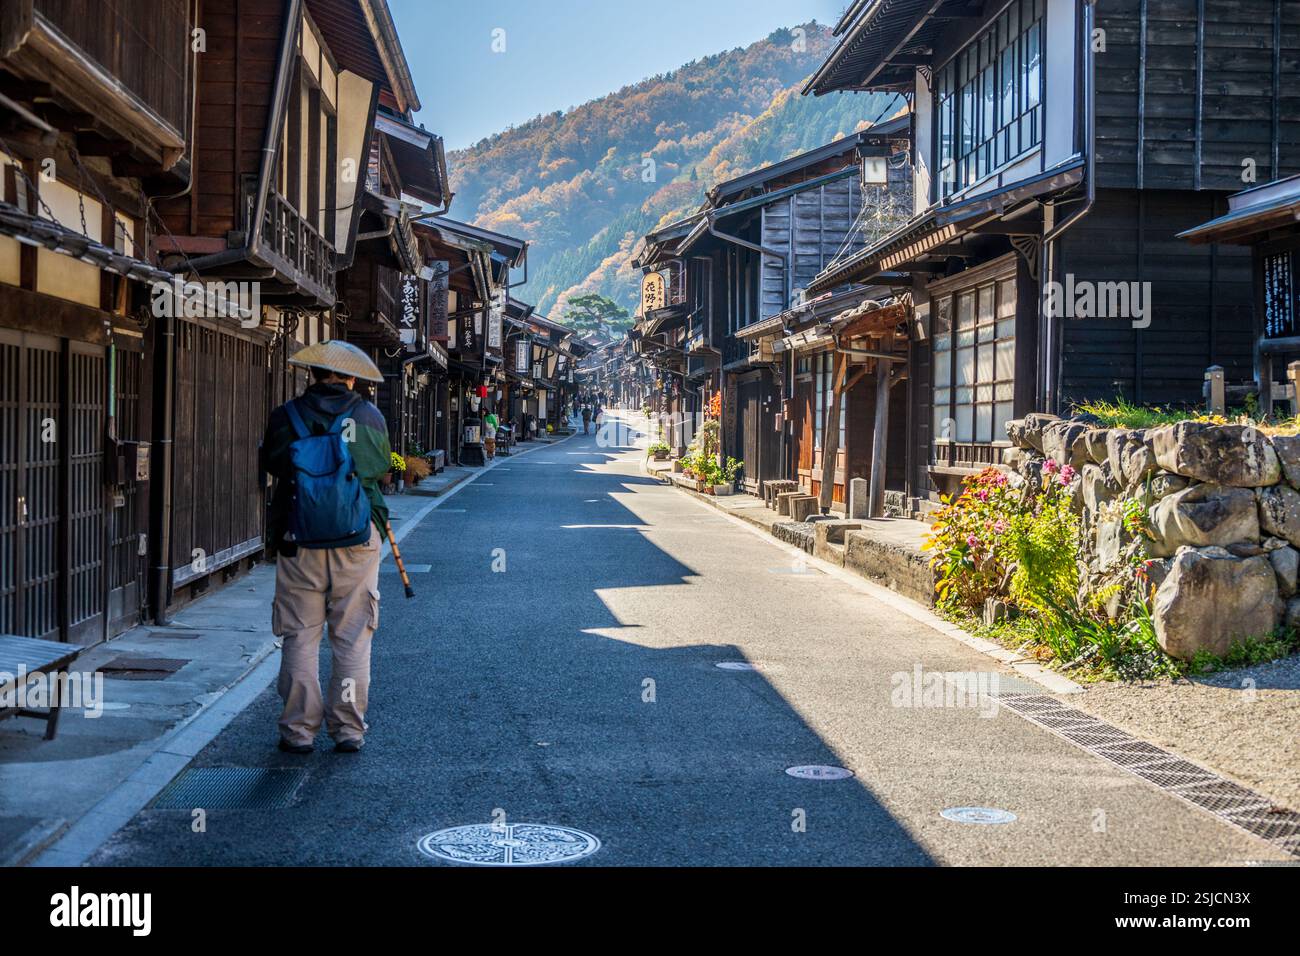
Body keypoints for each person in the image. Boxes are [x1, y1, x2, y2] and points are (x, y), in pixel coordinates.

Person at [261, 340, 392, 755]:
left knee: (300, 636)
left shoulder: (288, 416)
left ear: (312, 375)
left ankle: (298, 731)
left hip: (299, 536)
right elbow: (378, 468)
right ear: (351, 377)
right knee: (352, 637)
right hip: (355, 536)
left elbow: (273, 463)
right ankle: (348, 729)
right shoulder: (368, 416)